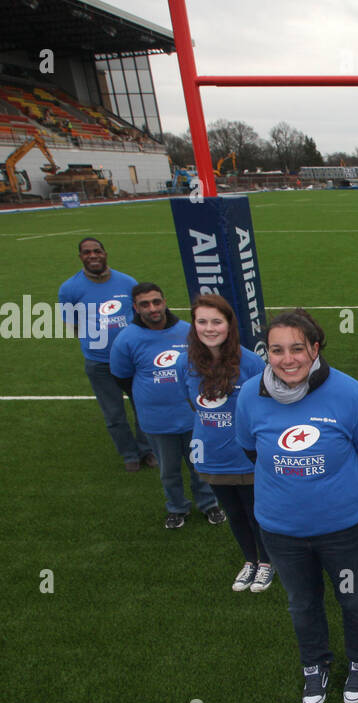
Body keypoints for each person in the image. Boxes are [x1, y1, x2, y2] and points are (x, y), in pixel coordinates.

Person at [235, 308, 358, 703]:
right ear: (266, 352)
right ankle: (314, 665)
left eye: (297, 348)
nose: (287, 359)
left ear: (315, 349)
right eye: (277, 350)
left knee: (355, 600)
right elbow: (252, 450)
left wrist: (328, 490)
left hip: (344, 529)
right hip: (281, 531)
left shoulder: (351, 393)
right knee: (302, 603)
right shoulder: (250, 394)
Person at [110, 283, 223, 529]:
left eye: (156, 302)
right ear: (135, 308)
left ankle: (209, 504)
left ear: (164, 301)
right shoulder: (126, 338)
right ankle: (177, 507)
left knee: (200, 466)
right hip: (156, 421)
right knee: (168, 471)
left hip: (193, 418)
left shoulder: (188, 331)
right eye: (145, 304)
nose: (152, 308)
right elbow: (121, 377)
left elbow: (206, 367)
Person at [181, 294, 269, 589]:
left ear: (229, 324)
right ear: (194, 325)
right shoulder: (187, 361)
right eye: (202, 321)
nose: (209, 328)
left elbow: (263, 408)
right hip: (210, 454)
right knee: (234, 513)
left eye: (216, 321)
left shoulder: (252, 362)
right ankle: (249, 560)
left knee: (256, 512)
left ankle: (267, 562)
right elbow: (193, 404)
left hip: (246, 455)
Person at [57, 237, 153, 471]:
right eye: (87, 252)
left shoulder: (127, 282)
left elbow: (141, 318)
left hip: (132, 361)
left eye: (97, 251)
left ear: (105, 253)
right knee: (113, 415)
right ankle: (129, 454)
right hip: (99, 363)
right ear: (80, 257)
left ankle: (147, 450)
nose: (93, 256)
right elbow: (73, 324)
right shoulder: (69, 289)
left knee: (143, 407)